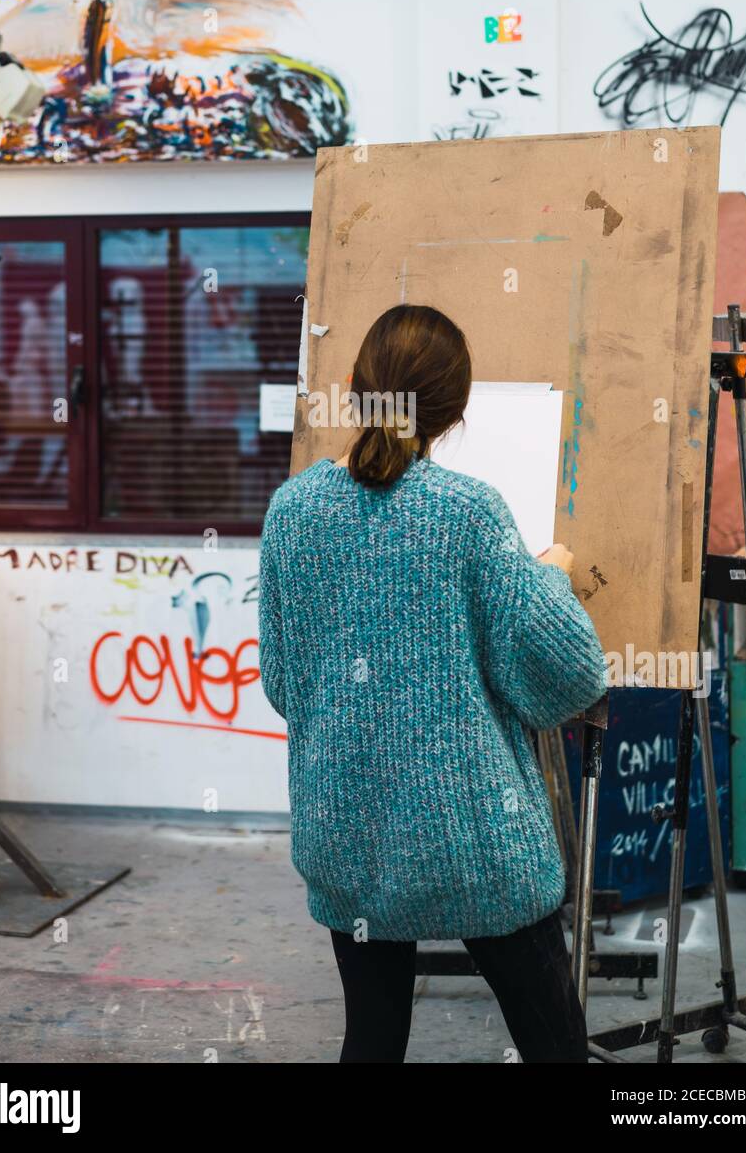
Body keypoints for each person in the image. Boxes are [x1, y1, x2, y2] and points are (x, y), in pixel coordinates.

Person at [258, 303, 607, 1063]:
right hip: (474, 839)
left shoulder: (291, 513)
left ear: (352, 388)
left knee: (373, 1039)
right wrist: (550, 579)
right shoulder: (467, 513)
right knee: (552, 1044)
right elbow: (568, 674)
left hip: (346, 830)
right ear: (456, 411)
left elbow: (283, 683)